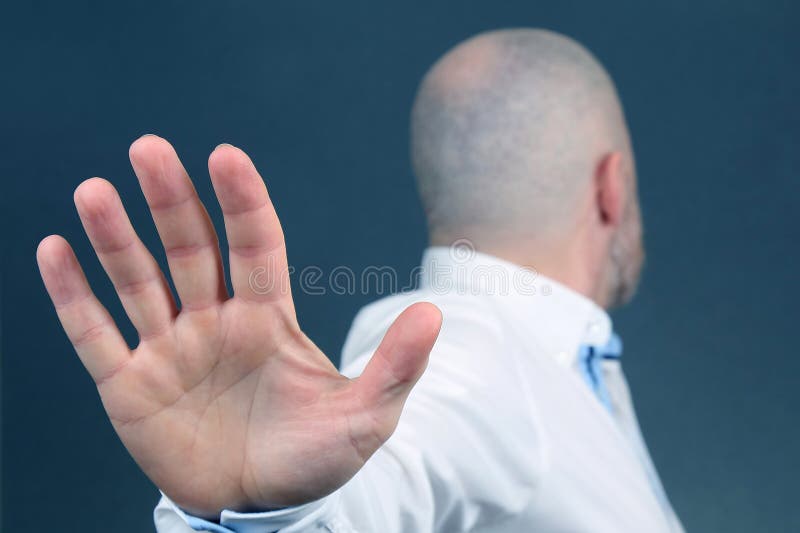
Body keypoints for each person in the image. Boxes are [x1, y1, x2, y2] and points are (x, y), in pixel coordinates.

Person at [36, 28, 684, 532]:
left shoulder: (567, 364)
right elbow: (382, 485)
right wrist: (264, 506)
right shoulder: (469, 344)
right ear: (611, 186)